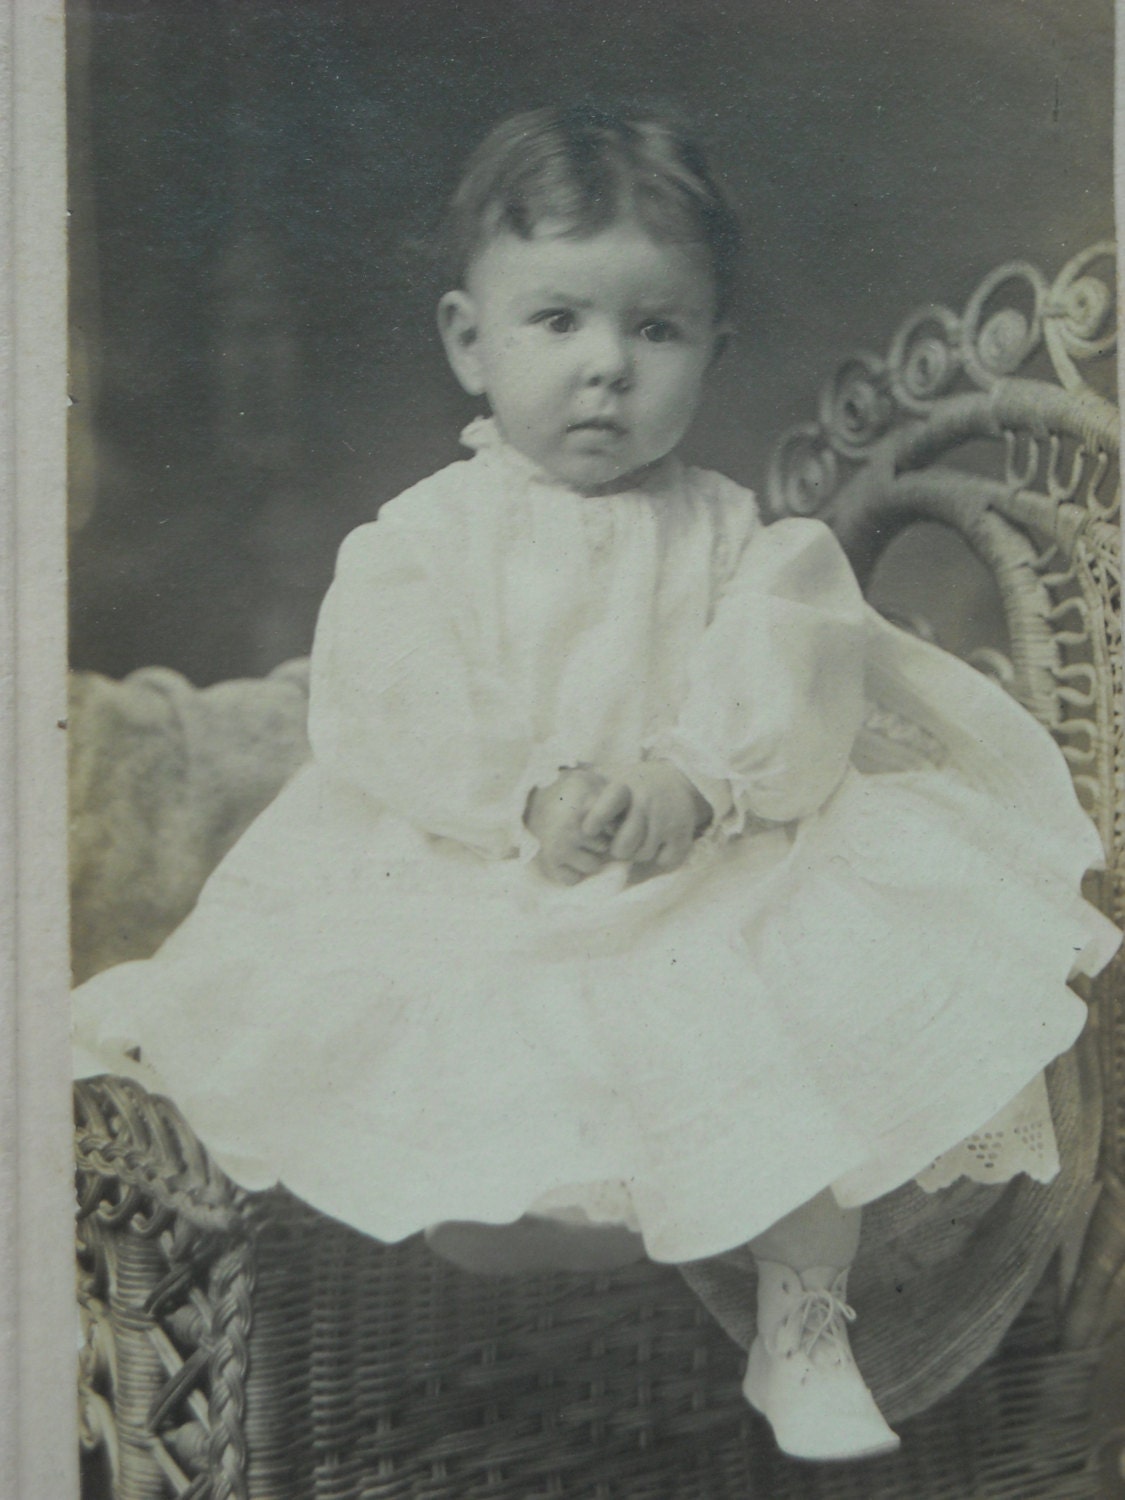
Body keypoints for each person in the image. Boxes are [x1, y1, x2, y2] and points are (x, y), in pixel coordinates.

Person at [73, 105, 1120, 1462]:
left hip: (699, 874)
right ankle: (499, 1262)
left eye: (656, 329)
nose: (606, 367)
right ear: (471, 341)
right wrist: (527, 796)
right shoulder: (421, 543)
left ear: (713, 351)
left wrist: (696, 779)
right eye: (558, 321)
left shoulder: (741, 541)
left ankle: (804, 1320)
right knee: (454, 1029)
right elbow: (388, 708)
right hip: (487, 865)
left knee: (803, 1023)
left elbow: (790, 681)